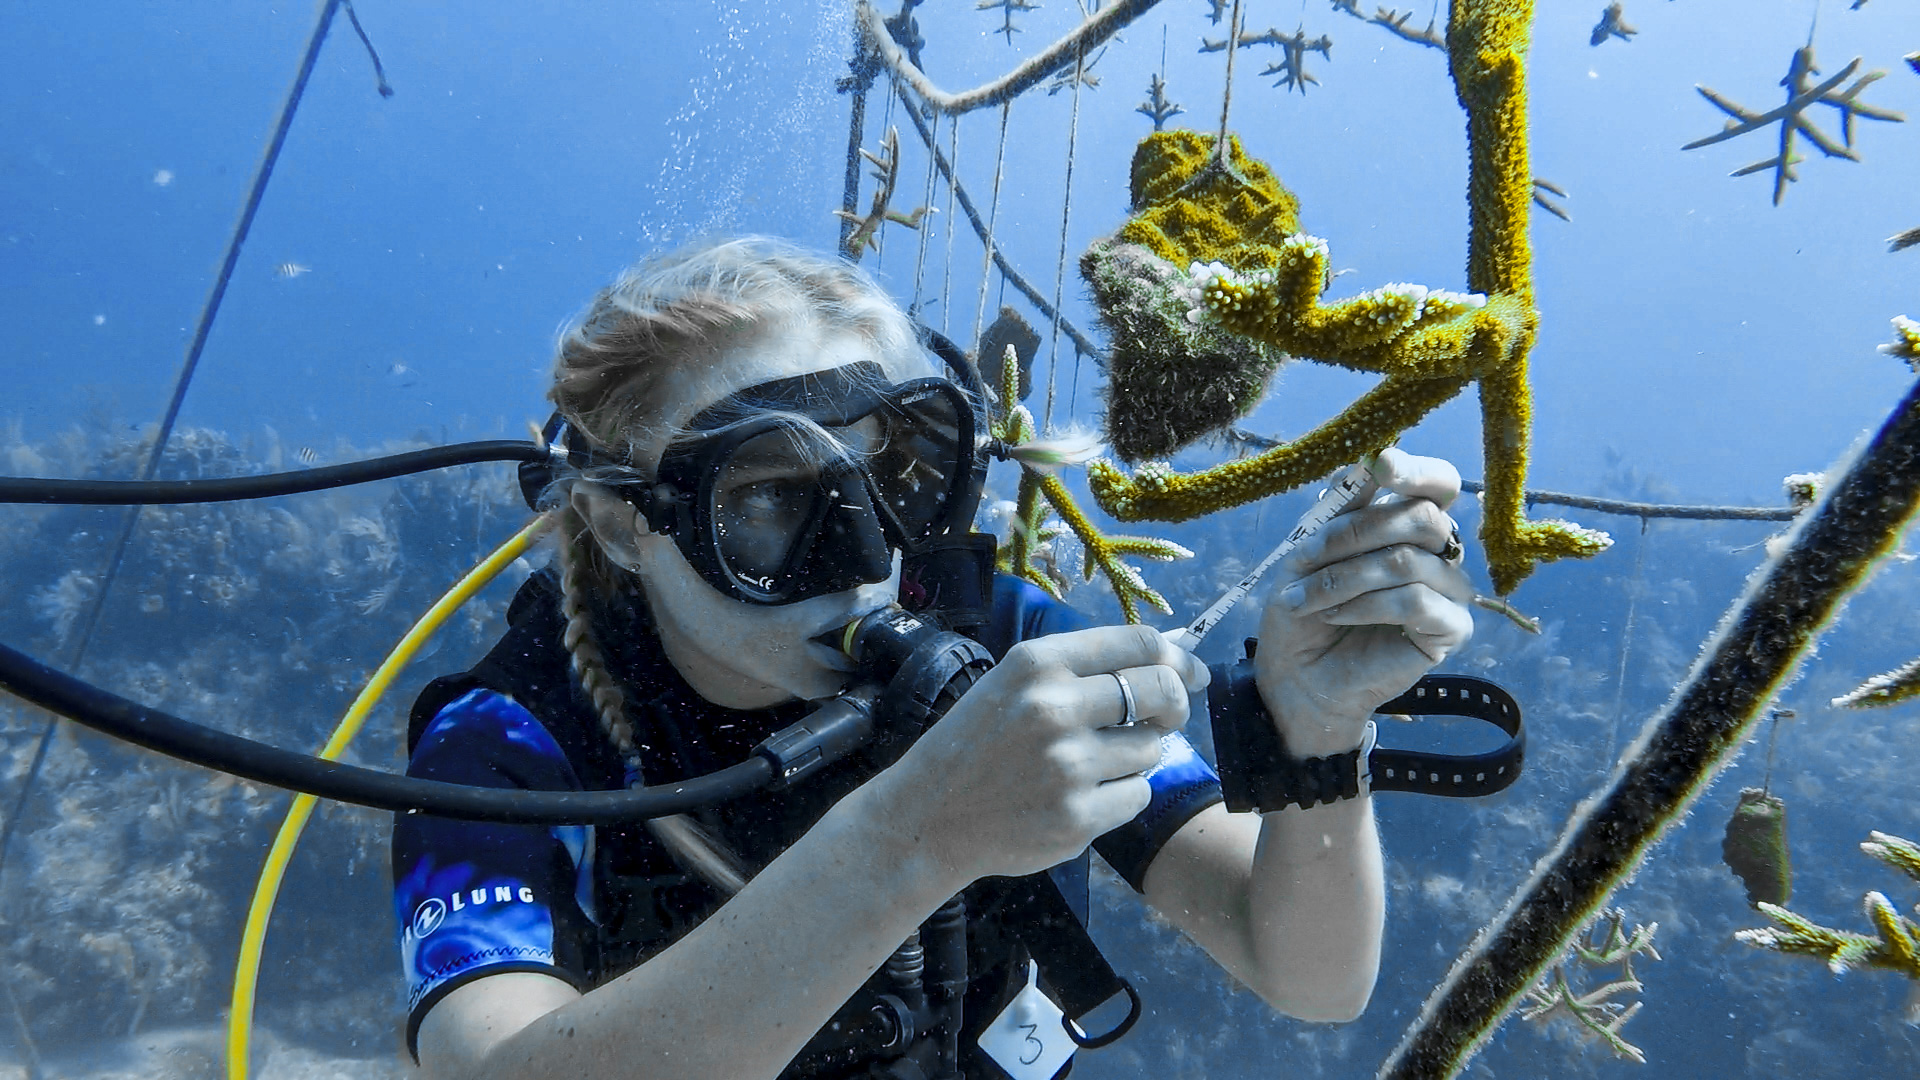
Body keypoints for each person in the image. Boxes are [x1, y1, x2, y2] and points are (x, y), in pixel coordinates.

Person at [390, 237, 1476, 1080]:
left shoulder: (1004, 643)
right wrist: (920, 834)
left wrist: (1318, 736)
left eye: (899, 472)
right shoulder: (510, 736)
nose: (867, 559)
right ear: (627, 522)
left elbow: (1309, 972)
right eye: (767, 496)